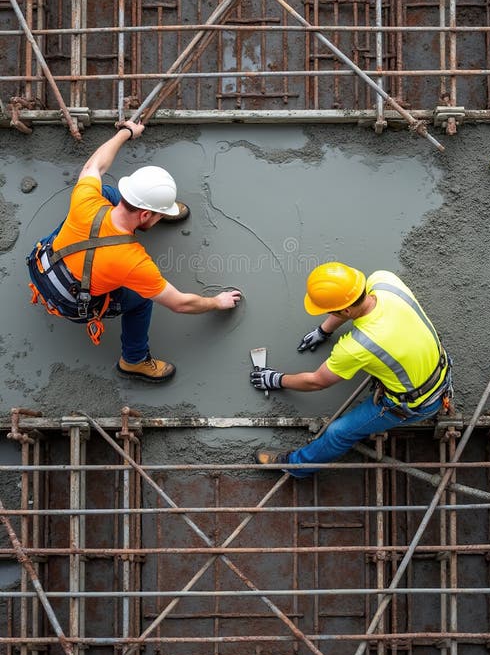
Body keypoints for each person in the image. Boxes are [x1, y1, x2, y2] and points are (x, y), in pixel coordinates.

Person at [27, 120, 240, 382]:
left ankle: (141, 206)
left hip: (46, 266)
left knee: (102, 191)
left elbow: (93, 166)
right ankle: (134, 360)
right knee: (140, 299)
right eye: (160, 214)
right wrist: (217, 302)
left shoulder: (86, 201)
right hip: (71, 300)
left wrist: (126, 133)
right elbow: (180, 304)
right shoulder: (134, 262)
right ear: (146, 214)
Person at [250, 261, 452, 475]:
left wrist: (275, 379)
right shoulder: (384, 279)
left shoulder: (357, 346)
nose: (329, 315)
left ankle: (297, 466)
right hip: (438, 369)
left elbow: (317, 381)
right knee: (382, 354)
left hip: (420, 403)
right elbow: (353, 308)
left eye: (330, 312)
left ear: (345, 310)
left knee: (338, 433)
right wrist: (323, 330)